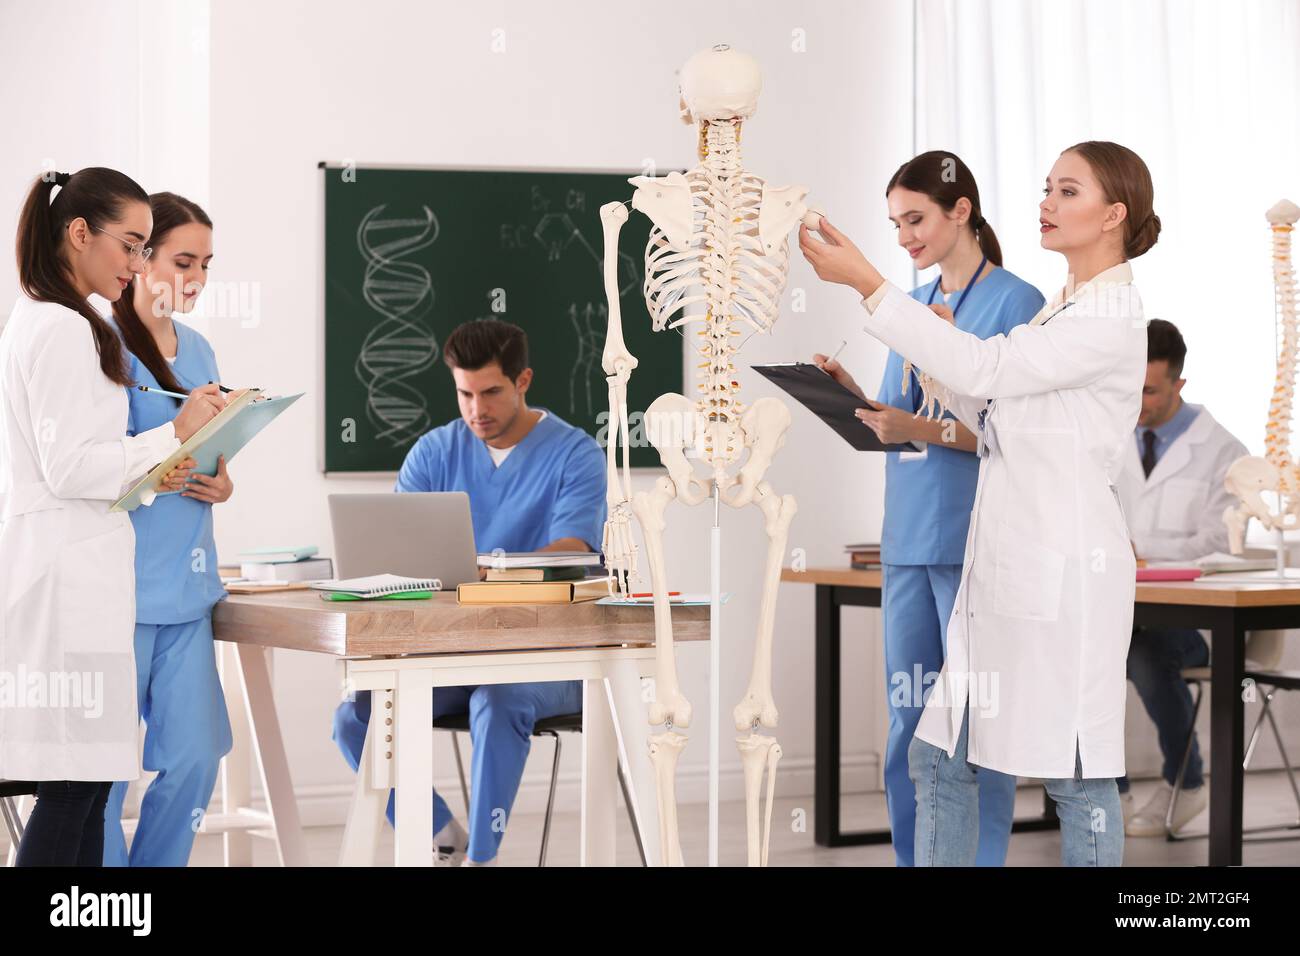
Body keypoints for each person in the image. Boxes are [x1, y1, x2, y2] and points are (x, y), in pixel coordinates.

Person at [801, 141, 1160, 866]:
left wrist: (868, 285)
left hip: (1062, 575)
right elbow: (997, 408)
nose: (1046, 204)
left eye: (1067, 192)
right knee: (940, 756)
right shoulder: (1065, 308)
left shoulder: (1111, 314)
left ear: (1113, 214)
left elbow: (989, 367)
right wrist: (931, 375)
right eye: (1046, 189)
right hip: (1003, 569)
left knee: (1076, 776)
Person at [814, 151, 1043, 866]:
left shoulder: (1018, 304)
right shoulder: (906, 305)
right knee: (910, 721)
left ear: (961, 211)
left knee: (975, 722)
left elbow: (1015, 437)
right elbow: (902, 423)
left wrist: (914, 426)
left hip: (975, 538)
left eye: (915, 219)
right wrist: (851, 396)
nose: (904, 236)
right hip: (909, 537)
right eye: (895, 223)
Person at [0, 168, 222, 866]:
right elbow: (72, 465)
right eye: (130, 245)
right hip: (74, 585)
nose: (136, 264)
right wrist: (174, 434)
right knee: (77, 789)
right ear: (77, 234)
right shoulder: (68, 327)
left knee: (88, 787)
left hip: (77, 577)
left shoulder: (47, 316)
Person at [331, 318, 606, 865]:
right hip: (452, 656)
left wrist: (494, 573)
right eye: (464, 393)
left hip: (549, 658)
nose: (477, 409)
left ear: (523, 380)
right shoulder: (434, 453)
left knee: (499, 698)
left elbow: (575, 550)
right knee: (357, 713)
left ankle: (483, 856)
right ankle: (442, 835)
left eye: (491, 392)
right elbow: (395, 554)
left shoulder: (575, 454)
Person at [103, 192, 235, 865]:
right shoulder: (104, 346)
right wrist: (165, 450)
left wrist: (220, 479)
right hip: (119, 593)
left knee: (193, 762)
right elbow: (94, 471)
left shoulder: (203, 349)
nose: (198, 278)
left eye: (207, 264)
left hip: (187, 593)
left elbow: (209, 450)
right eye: (185, 260)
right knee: (98, 777)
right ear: (142, 257)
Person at [1113, 318, 1247, 836]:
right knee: (1081, 649)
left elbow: (1218, 543)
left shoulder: (1223, 451)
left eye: (1149, 390)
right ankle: (1107, 792)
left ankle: (1186, 783)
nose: (1137, 402)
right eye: (1129, 388)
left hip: (1199, 624)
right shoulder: (1111, 438)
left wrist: (1137, 551)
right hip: (1122, 609)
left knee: (1146, 654)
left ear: (1179, 385)